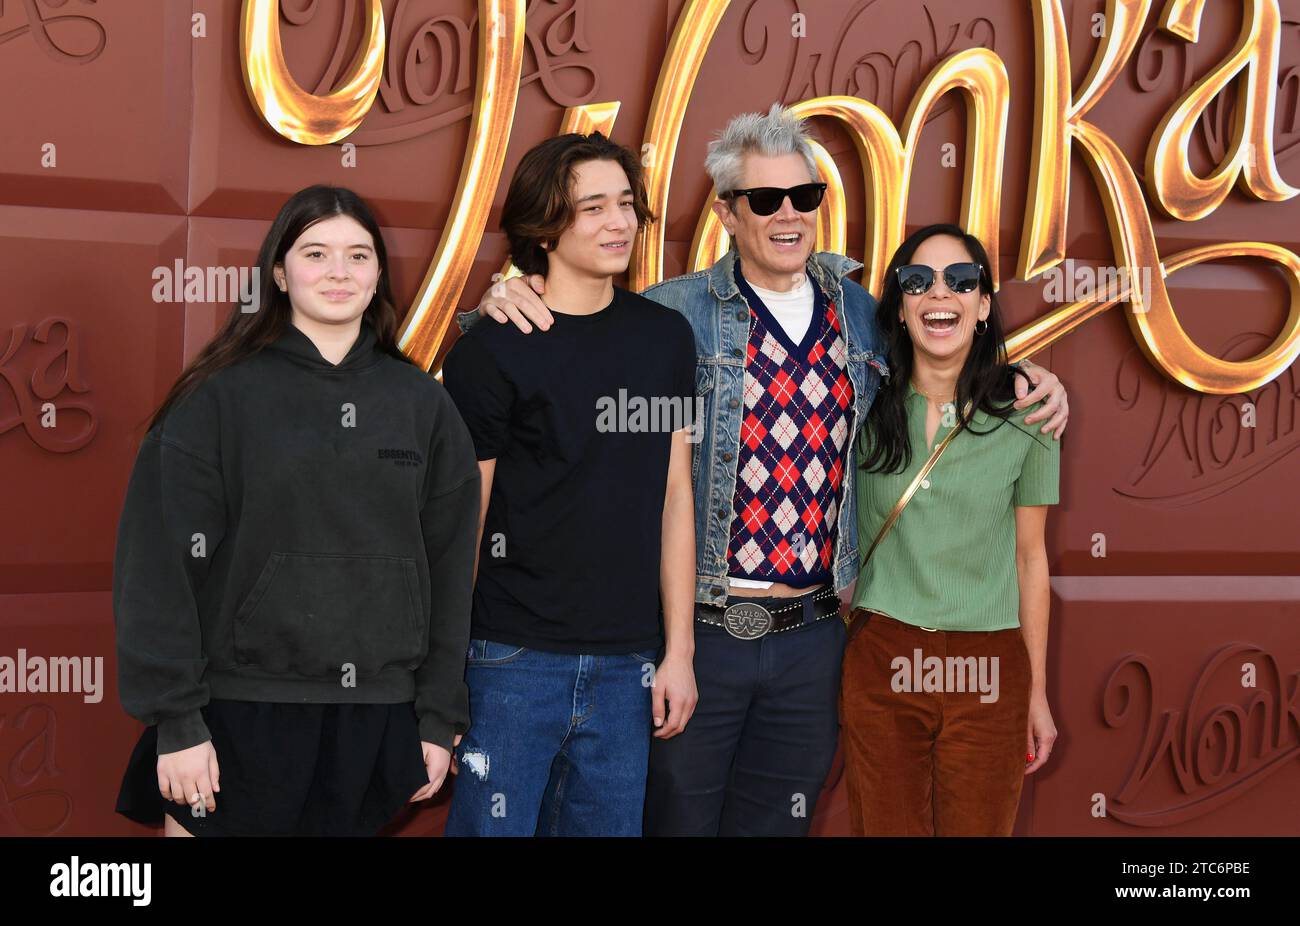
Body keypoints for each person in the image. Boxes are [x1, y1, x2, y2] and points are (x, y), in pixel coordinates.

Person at [462, 105, 1070, 836]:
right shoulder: (672, 313)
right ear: (726, 211)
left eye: (804, 197)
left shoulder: (861, 316)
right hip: (703, 632)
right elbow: (569, 329)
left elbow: (946, 350)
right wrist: (504, 292)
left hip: (813, 636)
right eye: (764, 199)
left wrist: (1024, 375)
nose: (789, 215)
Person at [113, 185, 480, 836]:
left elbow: (451, 571)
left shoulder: (423, 406)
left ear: (377, 274)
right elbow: (158, 566)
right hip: (234, 713)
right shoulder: (218, 399)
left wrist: (437, 715)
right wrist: (176, 719)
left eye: (358, 255)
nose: (339, 272)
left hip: (373, 715)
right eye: (316, 253)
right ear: (279, 273)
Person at [440, 132, 698, 837]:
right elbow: (465, 521)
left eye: (625, 204)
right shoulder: (492, 351)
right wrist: (441, 677)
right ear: (545, 227)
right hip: (509, 663)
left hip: (629, 668)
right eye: (592, 208)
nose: (618, 223)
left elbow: (677, 496)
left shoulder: (666, 339)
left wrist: (679, 652)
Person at [840, 223, 1060, 835]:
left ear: (983, 305)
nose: (941, 294)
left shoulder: (1029, 416)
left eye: (961, 281)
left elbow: (1030, 560)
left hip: (989, 666)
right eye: (918, 281)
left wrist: (1036, 693)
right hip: (884, 655)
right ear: (901, 305)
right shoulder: (858, 407)